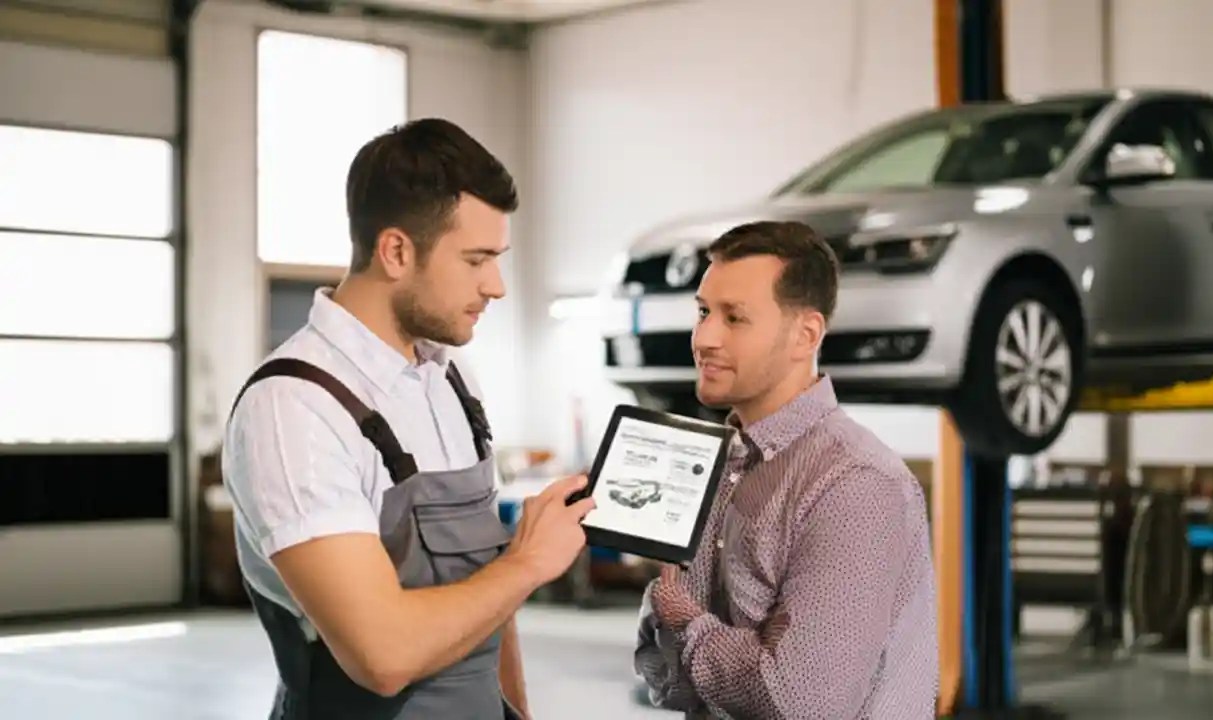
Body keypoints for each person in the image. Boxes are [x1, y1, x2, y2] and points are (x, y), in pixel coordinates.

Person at [222, 118, 595, 720]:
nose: (495, 286)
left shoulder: (448, 378)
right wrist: (529, 563)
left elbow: (487, 601)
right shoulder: (294, 407)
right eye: (476, 260)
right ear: (396, 250)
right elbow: (382, 655)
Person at [634, 221, 938, 719]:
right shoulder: (722, 466)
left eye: (734, 318)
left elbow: (800, 701)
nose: (704, 338)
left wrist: (687, 623)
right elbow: (665, 680)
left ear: (806, 334)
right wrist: (705, 642)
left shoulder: (855, 484)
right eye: (704, 312)